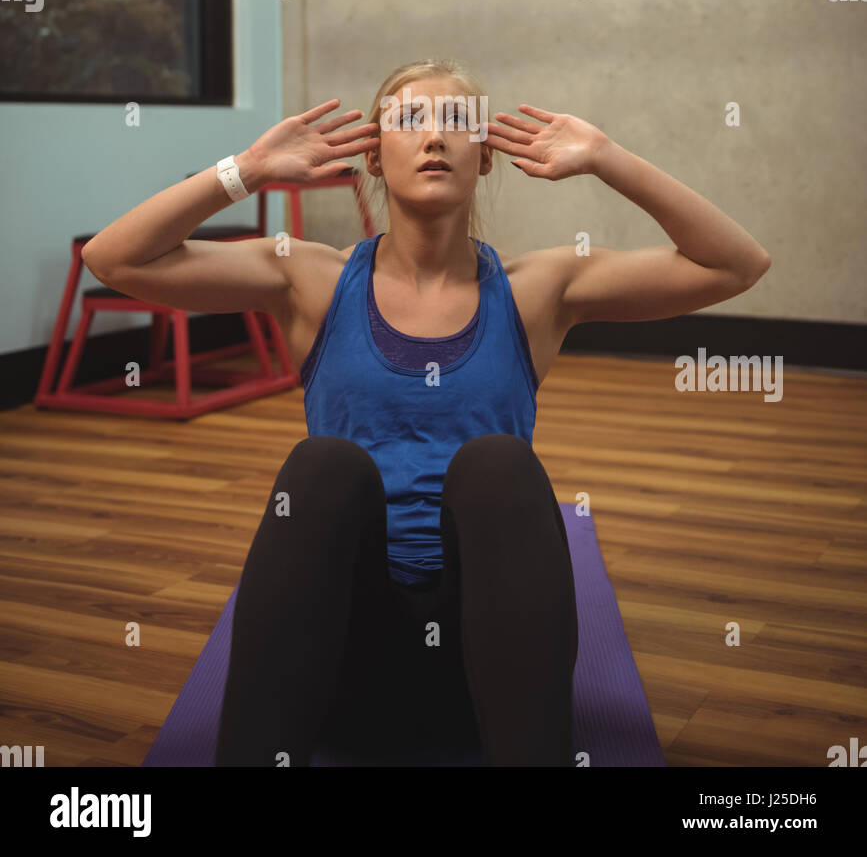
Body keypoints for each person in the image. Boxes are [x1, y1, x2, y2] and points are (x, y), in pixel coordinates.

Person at [81, 56, 771, 767]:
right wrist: (248, 169)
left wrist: (604, 157)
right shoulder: (309, 279)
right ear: (374, 156)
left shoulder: (539, 289)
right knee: (322, 465)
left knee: (498, 465)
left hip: (491, 680)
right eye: (409, 120)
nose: (435, 136)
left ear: (489, 156)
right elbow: (115, 259)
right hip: (347, 670)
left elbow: (734, 265)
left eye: (456, 123)